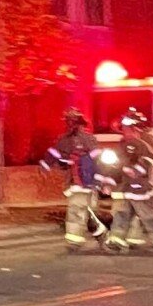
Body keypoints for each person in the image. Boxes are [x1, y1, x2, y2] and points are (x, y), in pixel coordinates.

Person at [105, 108, 153, 253]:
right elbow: (117, 164)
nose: (124, 131)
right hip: (125, 186)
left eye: (127, 128)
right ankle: (117, 238)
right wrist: (109, 181)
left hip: (143, 186)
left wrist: (136, 171)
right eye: (123, 128)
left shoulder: (147, 141)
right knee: (121, 213)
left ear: (136, 128)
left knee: (149, 215)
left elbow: (150, 162)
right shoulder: (123, 143)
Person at [46, 107, 108, 254]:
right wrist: (48, 163)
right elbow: (56, 155)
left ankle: (77, 239)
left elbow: (96, 161)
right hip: (73, 180)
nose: (70, 124)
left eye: (73, 121)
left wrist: (100, 180)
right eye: (68, 121)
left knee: (78, 209)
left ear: (80, 123)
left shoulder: (89, 139)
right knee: (81, 209)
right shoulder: (62, 140)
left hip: (86, 180)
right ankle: (96, 232)